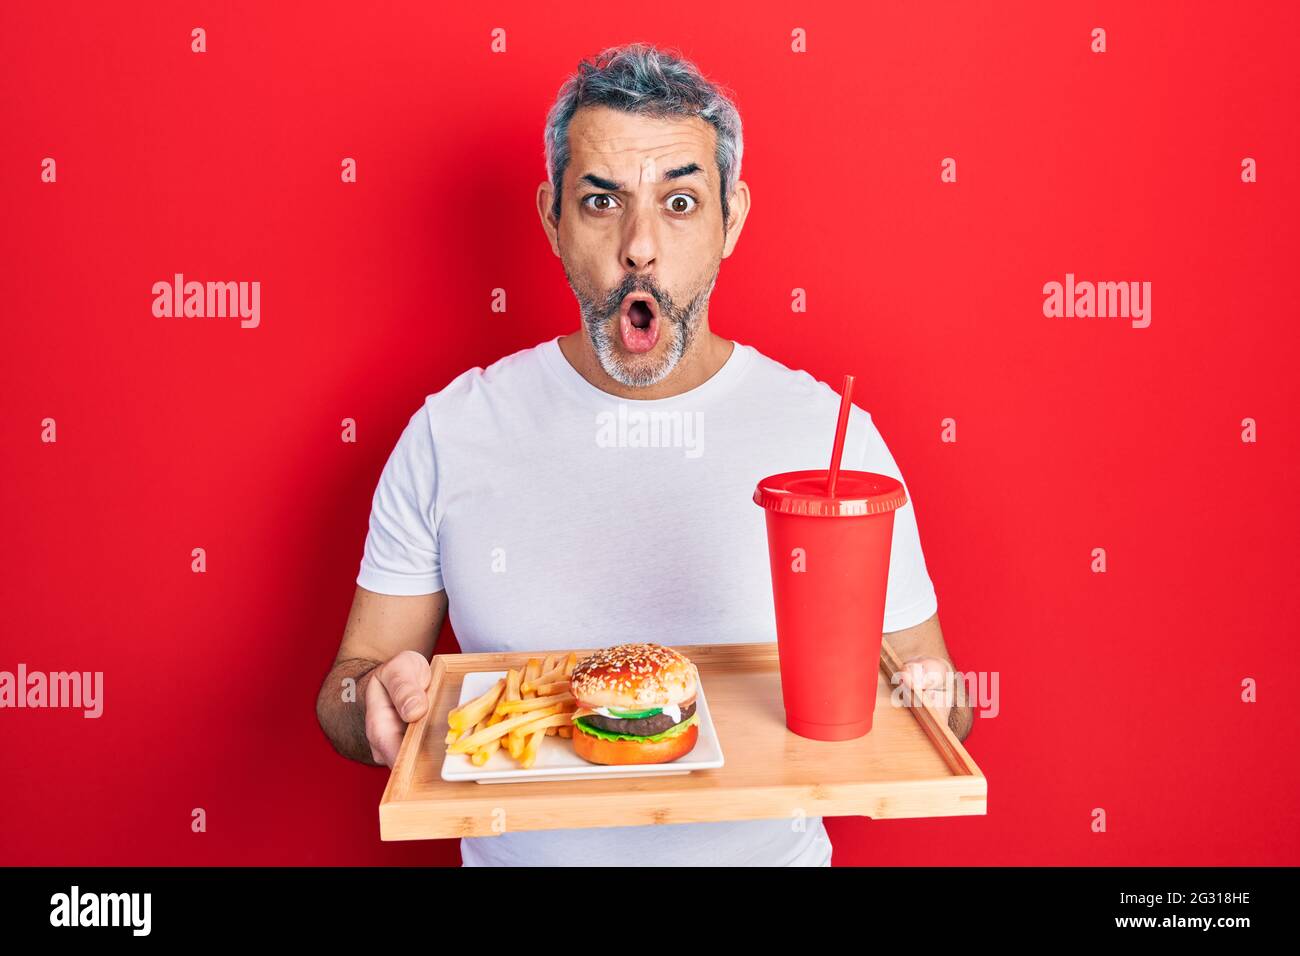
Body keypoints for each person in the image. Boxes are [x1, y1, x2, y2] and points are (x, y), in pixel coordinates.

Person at [315, 41, 971, 867]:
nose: (640, 248)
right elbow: (349, 681)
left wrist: (931, 702)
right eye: (601, 202)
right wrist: (372, 698)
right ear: (551, 218)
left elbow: (937, 690)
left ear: (733, 220)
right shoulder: (453, 431)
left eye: (681, 203)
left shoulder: (828, 437)